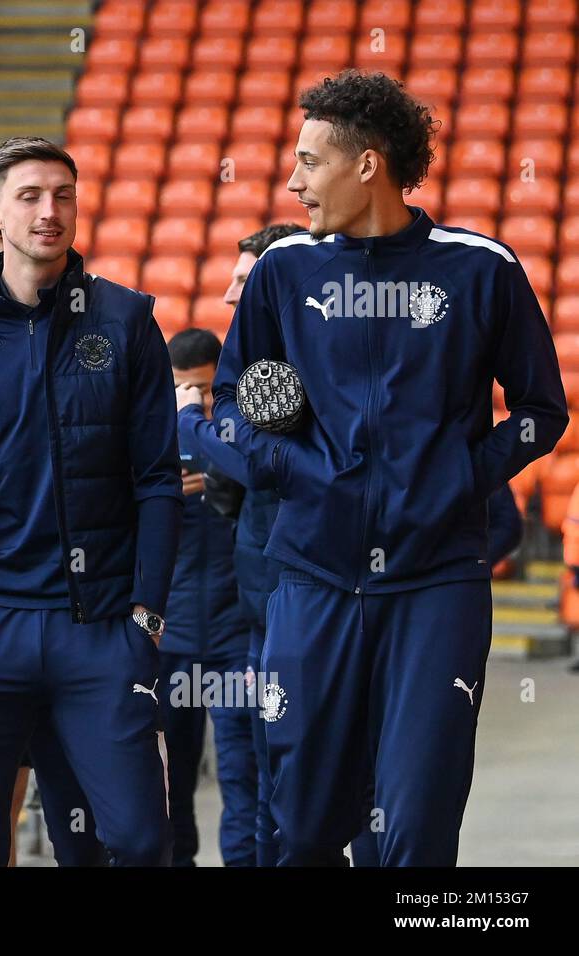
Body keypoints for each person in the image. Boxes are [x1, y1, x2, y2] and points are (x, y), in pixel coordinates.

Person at [210, 70, 568, 865]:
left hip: (435, 583)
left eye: (309, 161)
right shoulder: (285, 271)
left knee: (413, 831)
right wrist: (295, 469)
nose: (294, 182)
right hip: (311, 580)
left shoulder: (480, 268)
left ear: (366, 165)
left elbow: (543, 411)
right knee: (300, 829)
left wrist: (457, 478)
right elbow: (231, 403)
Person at [0, 137, 182, 866]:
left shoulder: (124, 322)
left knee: (140, 839)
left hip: (97, 626)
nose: (49, 211)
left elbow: (156, 479)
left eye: (63, 194)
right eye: (29, 196)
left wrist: (146, 612)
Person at [179, 222, 300, 867]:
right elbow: (242, 490)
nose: (229, 296)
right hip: (259, 616)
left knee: (286, 793)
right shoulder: (254, 369)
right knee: (257, 786)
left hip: (297, 616)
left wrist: (190, 426)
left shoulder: (293, 368)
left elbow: (260, 468)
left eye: (244, 281)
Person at [162, 328, 258, 867]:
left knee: (241, 774)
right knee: (169, 780)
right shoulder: (148, 435)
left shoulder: (247, 435)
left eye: (202, 388)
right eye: (182, 390)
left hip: (234, 638)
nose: (192, 401)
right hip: (167, 640)